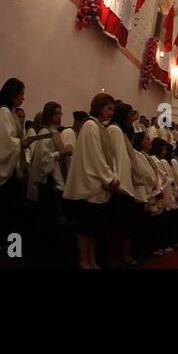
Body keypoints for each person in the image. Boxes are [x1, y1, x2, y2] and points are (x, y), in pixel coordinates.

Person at [63, 93, 120, 269]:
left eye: (113, 109)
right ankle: (83, 259)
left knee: (94, 229)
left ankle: (92, 259)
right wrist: (110, 178)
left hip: (98, 185)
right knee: (85, 228)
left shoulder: (100, 127)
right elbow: (95, 156)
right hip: (89, 185)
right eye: (109, 108)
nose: (111, 113)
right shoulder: (90, 126)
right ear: (99, 107)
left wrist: (112, 175)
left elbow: (107, 155)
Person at [0, 78, 33, 247]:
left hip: (10, 170)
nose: (23, 98)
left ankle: (4, 243)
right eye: (21, 94)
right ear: (13, 94)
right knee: (1, 210)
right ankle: (1, 243)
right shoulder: (4, 112)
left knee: (6, 211)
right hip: (1, 174)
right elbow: (5, 142)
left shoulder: (10, 113)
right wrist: (21, 143)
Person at [105, 103, 144, 267]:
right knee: (116, 224)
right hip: (119, 184)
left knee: (126, 224)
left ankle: (123, 255)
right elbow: (114, 157)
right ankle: (113, 257)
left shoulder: (121, 131)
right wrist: (116, 179)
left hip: (127, 183)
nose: (131, 118)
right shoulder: (114, 130)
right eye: (129, 114)